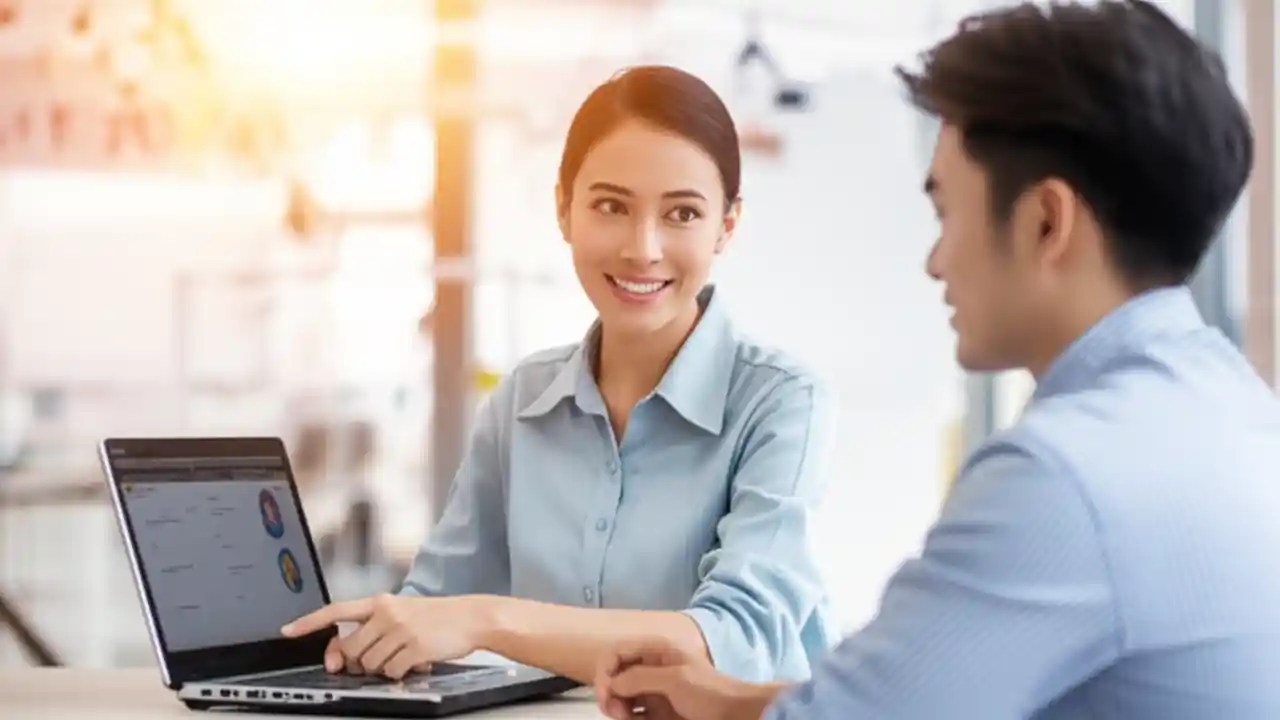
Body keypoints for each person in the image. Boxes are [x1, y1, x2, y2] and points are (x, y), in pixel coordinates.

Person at [594, 2, 1280, 718]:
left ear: (1047, 221)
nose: (934, 261)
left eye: (947, 212)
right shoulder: (1234, 413)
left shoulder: (1065, 475)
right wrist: (732, 701)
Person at [281, 66, 837, 685]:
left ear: (726, 226)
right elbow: (434, 609)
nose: (643, 248)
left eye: (681, 214)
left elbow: (733, 642)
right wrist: (359, 644)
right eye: (611, 206)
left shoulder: (781, 402)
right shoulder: (523, 400)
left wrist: (487, 620)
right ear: (564, 210)